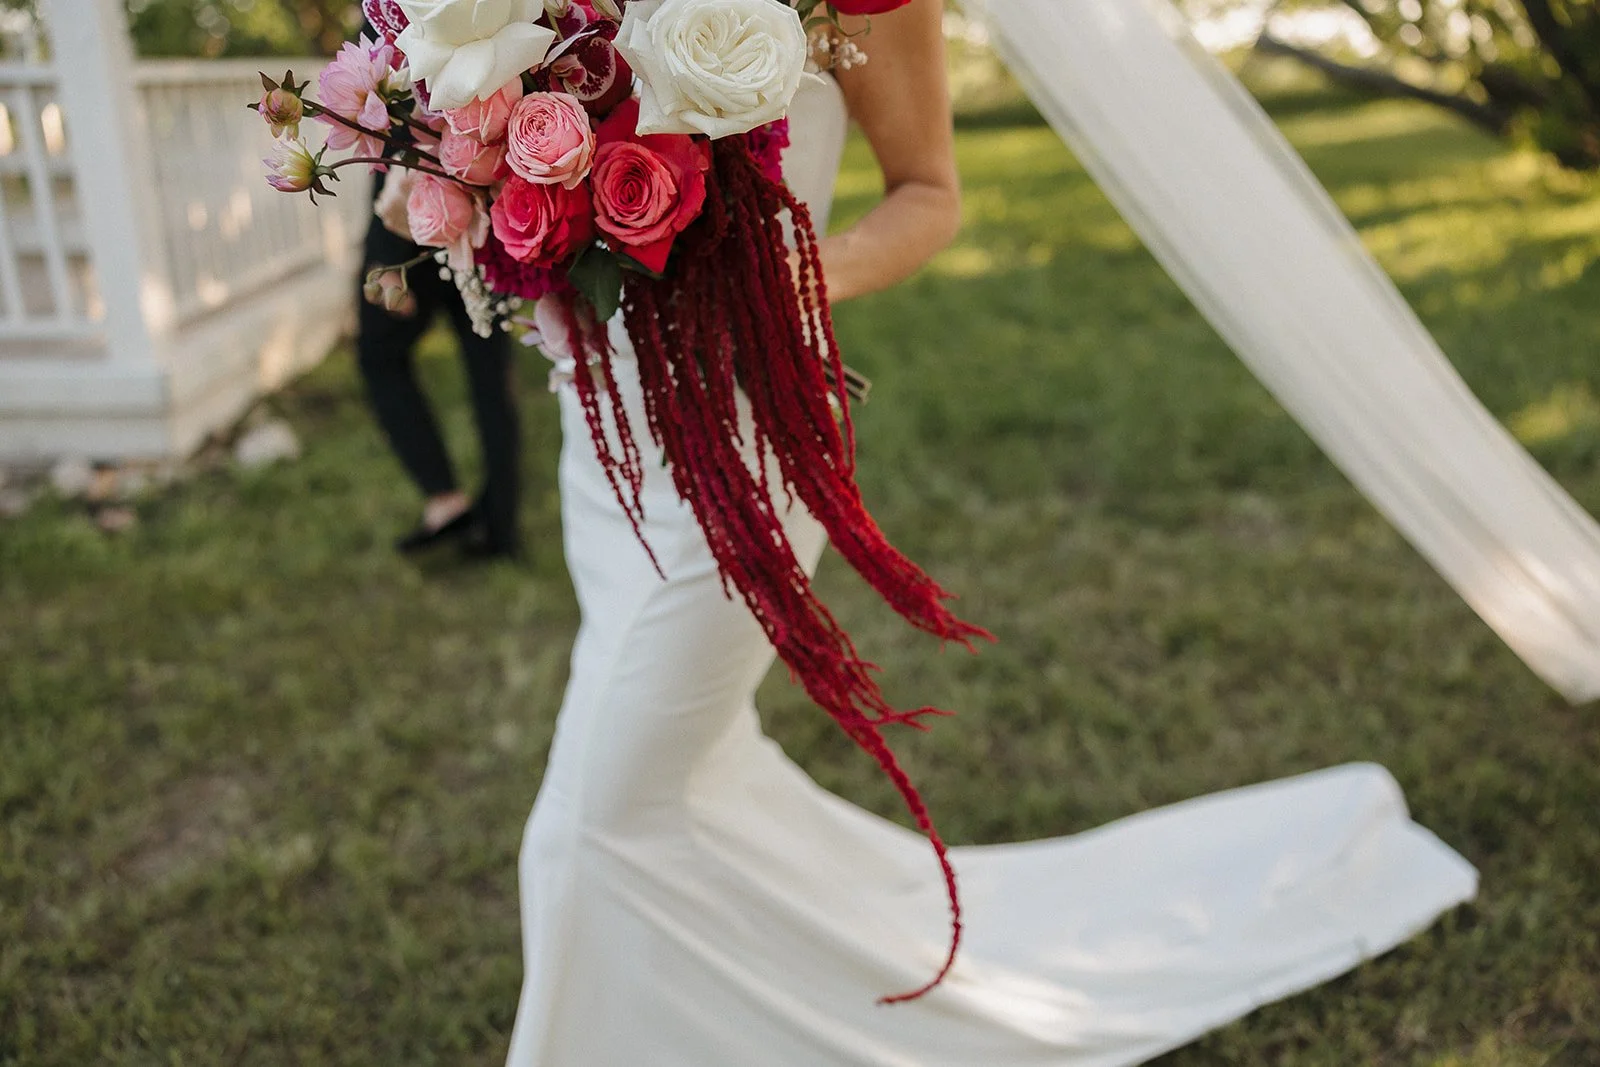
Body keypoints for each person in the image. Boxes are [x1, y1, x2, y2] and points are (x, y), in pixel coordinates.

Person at [503, 3, 1475, 1064]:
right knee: (687, 787)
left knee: (592, 823)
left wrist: (798, 283)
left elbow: (929, 196)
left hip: (745, 436)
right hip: (601, 439)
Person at [356, 169, 522, 560]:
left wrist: (389, 256)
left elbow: (404, 128)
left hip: (419, 223)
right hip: (486, 203)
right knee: (491, 368)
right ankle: (500, 524)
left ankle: (448, 502)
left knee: (379, 357)